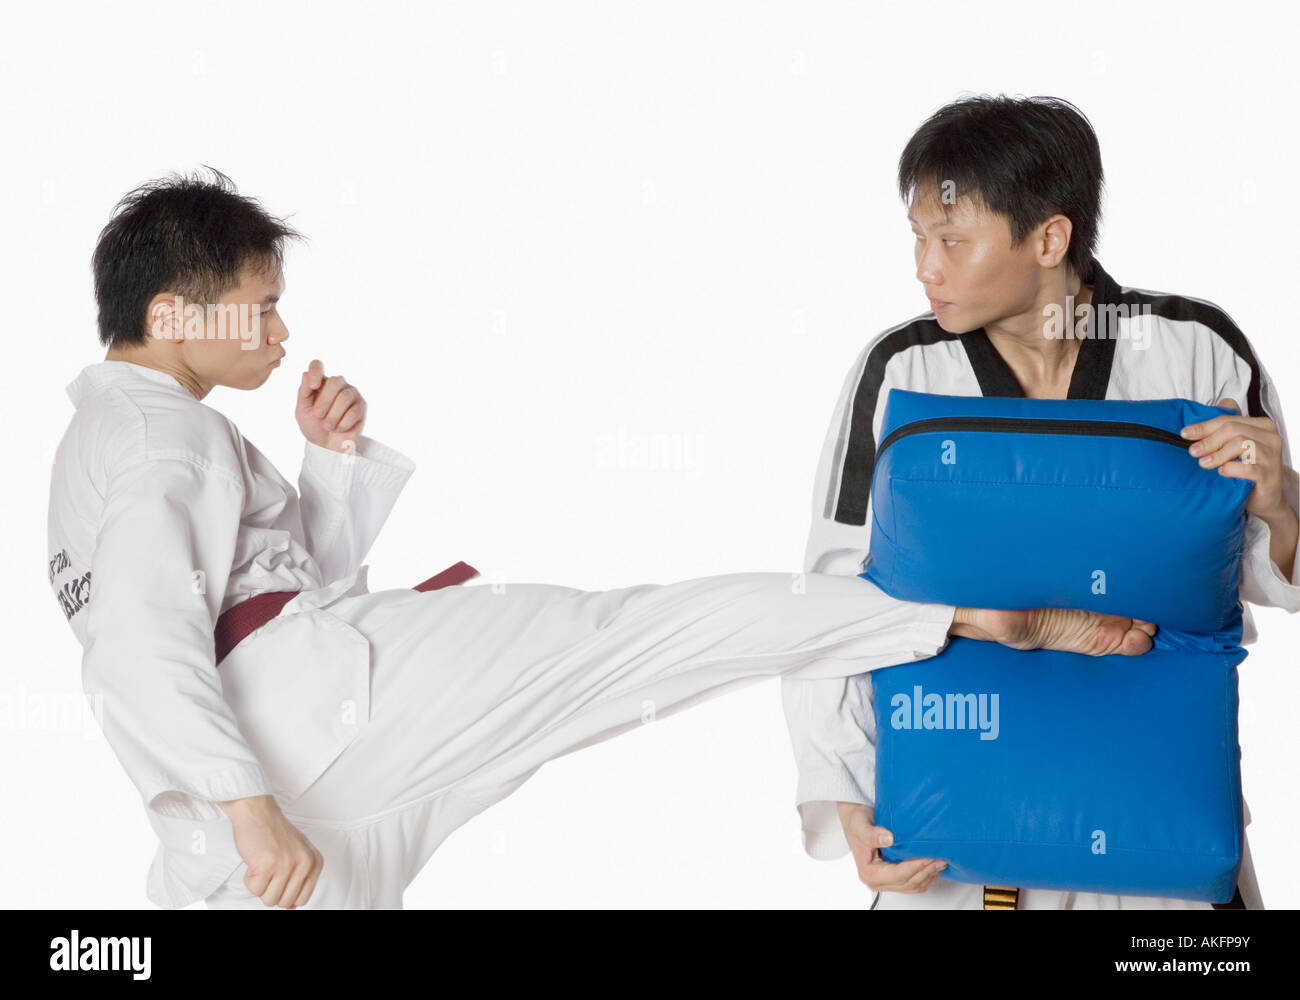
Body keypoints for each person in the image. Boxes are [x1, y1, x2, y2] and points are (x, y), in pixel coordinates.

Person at [48, 168, 1160, 910]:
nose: (281, 331)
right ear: (171, 316)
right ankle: (954, 613)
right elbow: (143, 644)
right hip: (298, 746)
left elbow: (275, 596)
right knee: (633, 636)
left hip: (263, 787)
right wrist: (249, 804)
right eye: (260, 306)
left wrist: (327, 471)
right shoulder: (160, 436)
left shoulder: (123, 440)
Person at [781, 94, 1300, 910]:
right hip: (948, 844)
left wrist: (1285, 506)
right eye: (918, 239)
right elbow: (832, 598)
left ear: (1049, 238)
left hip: (1155, 828)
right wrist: (845, 796)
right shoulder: (902, 371)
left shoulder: (1196, 350)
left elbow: (1270, 583)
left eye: (952, 240)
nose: (927, 268)